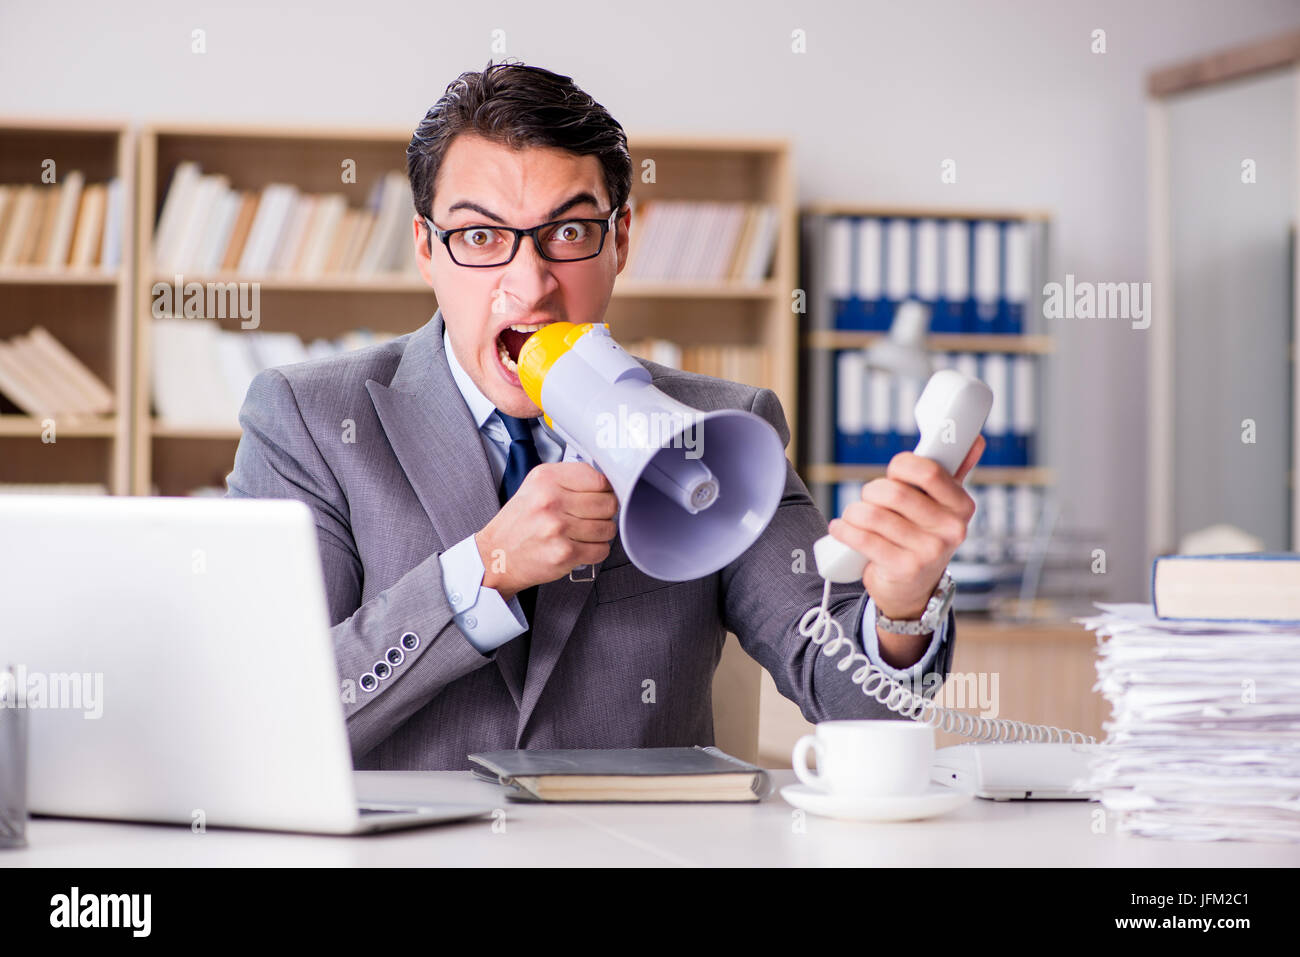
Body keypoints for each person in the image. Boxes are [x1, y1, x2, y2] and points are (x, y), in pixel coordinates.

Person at [226, 60, 984, 770]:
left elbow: (853, 698)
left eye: (567, 231)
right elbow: (272, 716)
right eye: (481, 236)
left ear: (620, 240)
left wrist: (901, 607)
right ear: (427, 250)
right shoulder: (310, 419)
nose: (530, 286)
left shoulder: (723, 428)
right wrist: (483, 571)